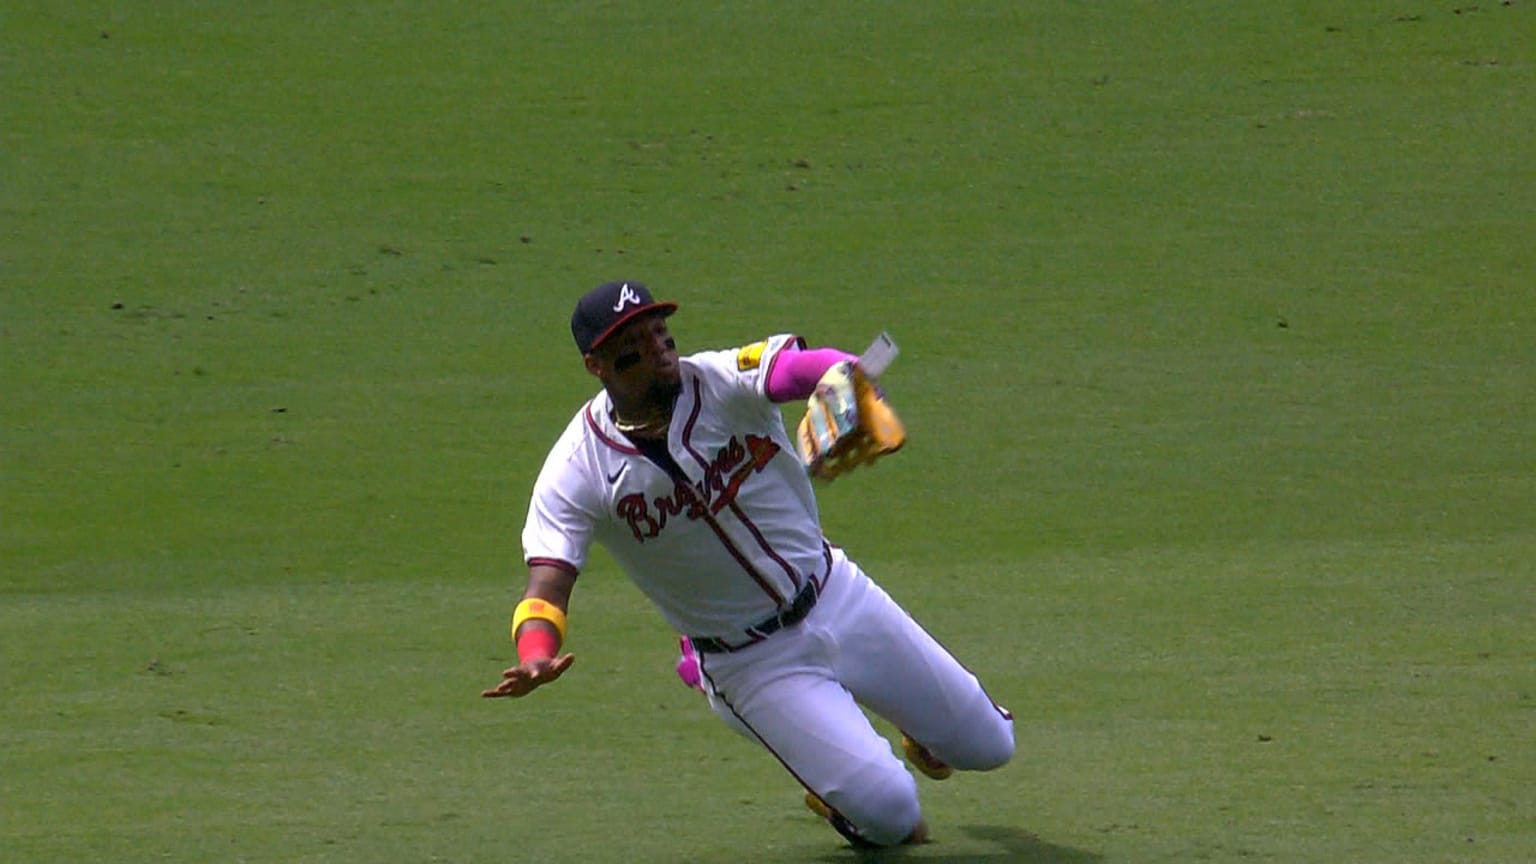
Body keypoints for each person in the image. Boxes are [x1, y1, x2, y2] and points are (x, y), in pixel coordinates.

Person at [483, 280, 1014, 847]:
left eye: (660, 332)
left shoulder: (720, 379)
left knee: (991, 747)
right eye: (633, 344)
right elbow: (548, 582)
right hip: (751, 663)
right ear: (598, 364)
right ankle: (836, 794)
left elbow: (801, 368)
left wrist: (850, 381)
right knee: (893, 818)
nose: (659, 349)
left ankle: (920, 735)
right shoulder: (577, 469)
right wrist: (535, 654)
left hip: (837, 594)